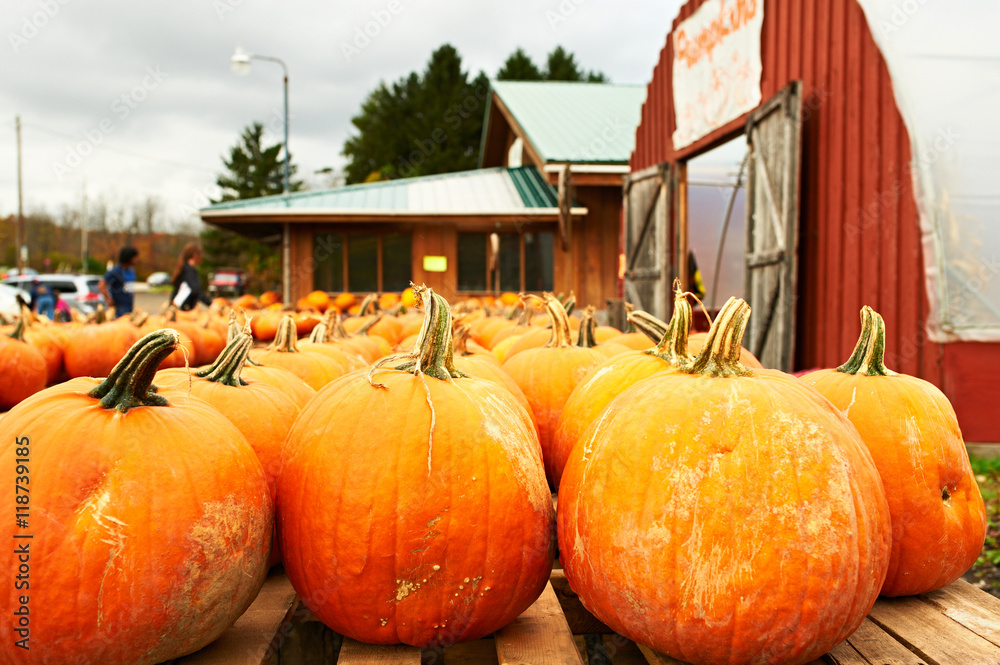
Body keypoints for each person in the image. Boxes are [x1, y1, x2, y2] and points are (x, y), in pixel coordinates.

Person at [170, 242, 212, 311]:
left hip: (181, 307)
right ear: (195, 255)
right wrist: (210, 303)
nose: (202, 257)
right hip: (181, 309)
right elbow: (196, 290)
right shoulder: (189, 271)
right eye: (201, 254)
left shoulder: (186, 269)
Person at [99, 247, 139, 315]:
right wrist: (108, 299)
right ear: (128, 258)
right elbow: (101, 285)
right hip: (119, 307)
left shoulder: (131, 270)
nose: (136, 259)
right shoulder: (116, 271)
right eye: (134, 257)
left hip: (129, 305)